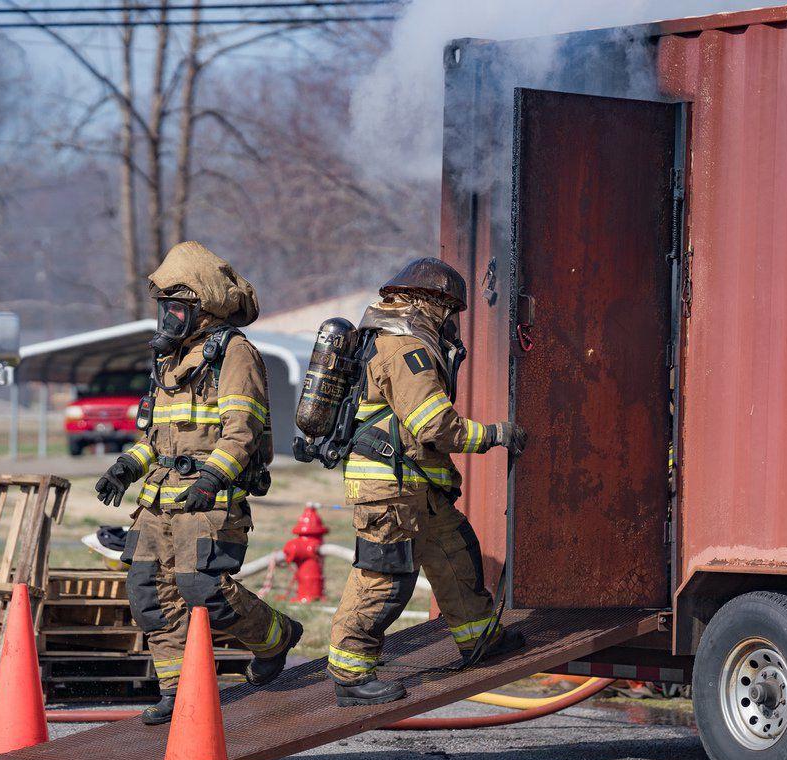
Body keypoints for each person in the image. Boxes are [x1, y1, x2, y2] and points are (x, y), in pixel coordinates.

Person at [95, 242, 302, 725]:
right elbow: (159, 439)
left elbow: (241, 431)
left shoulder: (234, 354)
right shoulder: (169, 360)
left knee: (201, 588)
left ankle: (277, 637)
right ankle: (175, 690)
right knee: (148, 592)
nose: (167, 318)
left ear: (202, 309)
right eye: (164, 308)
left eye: (177, 308)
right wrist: (127, 466)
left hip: (210, 499)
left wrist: (212, 476)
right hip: (158, 499)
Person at [328, 258, 528, 707]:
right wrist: (494, 434)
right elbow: (433, 425)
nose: (451, 322)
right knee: (384, 577)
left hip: (415, 485)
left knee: (454, 551)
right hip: (390, 487)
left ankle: (479, 639)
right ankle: (350, 673)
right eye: (448, 310)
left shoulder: (396, 342)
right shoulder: (404, 348)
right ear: (429, 302)